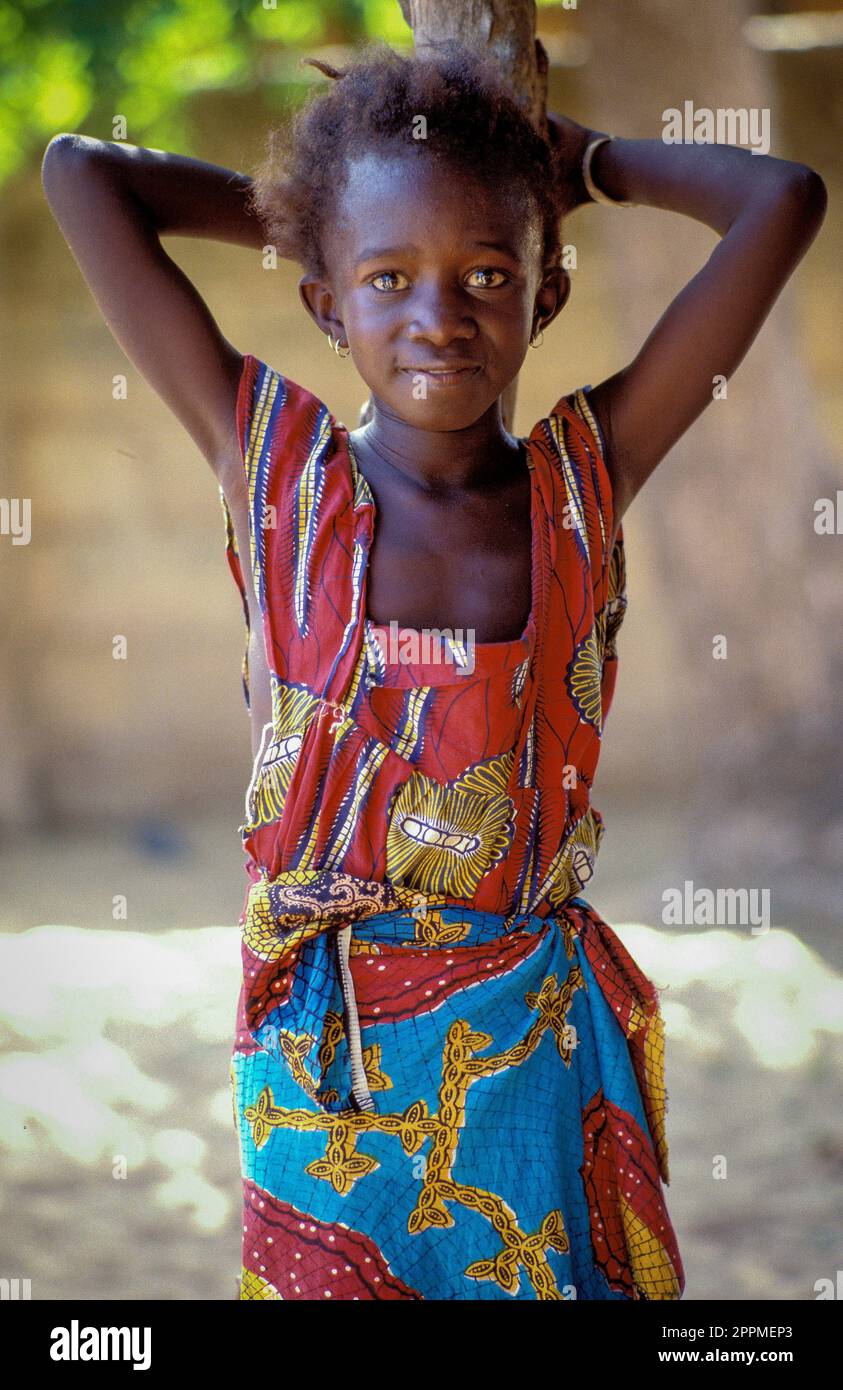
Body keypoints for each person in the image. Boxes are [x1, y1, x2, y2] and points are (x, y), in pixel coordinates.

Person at [41, 43, 826, 1302]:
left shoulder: (585, 479)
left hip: (525, 1049)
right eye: (387, 280)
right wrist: (337, 197)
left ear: (547, 297)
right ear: (324, 304)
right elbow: (79, 172)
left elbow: (783, 197)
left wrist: (597, 165)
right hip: (321, 1062)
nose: (437, 316)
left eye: (488, 272)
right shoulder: (278, 469)